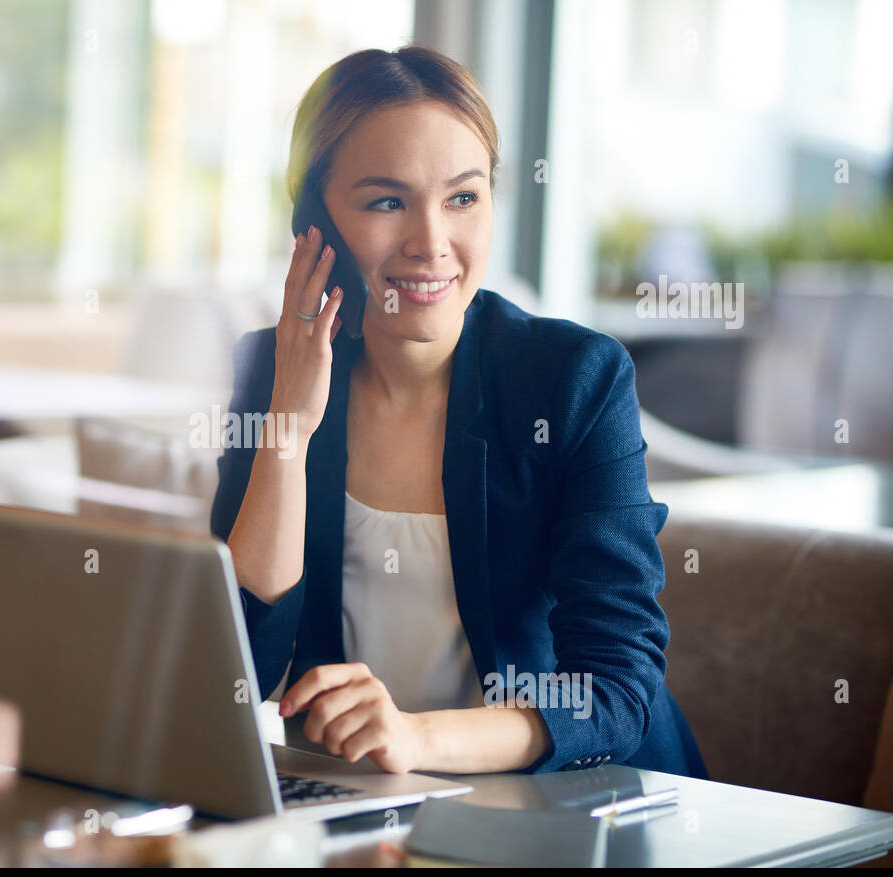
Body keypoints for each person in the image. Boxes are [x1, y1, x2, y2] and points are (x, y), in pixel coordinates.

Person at [210, 46, 709, 779]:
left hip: (576, 809)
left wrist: (417, 738)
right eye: (387, 201)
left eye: (463, 198)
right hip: (378, 808)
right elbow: (239, 667)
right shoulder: (273, 368)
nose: (431, 243)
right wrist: (288, 430)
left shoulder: (574, 380)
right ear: (312, 222)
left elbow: (618, 687)